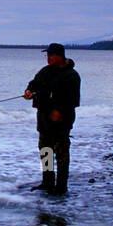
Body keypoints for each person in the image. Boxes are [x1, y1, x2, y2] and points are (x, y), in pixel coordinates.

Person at [22, 42, 80, 195]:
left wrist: (59, 111)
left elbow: (73, 99)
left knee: (61, 153)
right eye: (47, 55)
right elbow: (33, 84)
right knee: (45, 150)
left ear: (59, 56)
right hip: (43, 119)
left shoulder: (72, 75)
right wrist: (29, 91)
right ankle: (47, 182)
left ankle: (61, 187)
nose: (48, 58)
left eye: (50, 55)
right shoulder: (45, 71)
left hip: (62, 121)